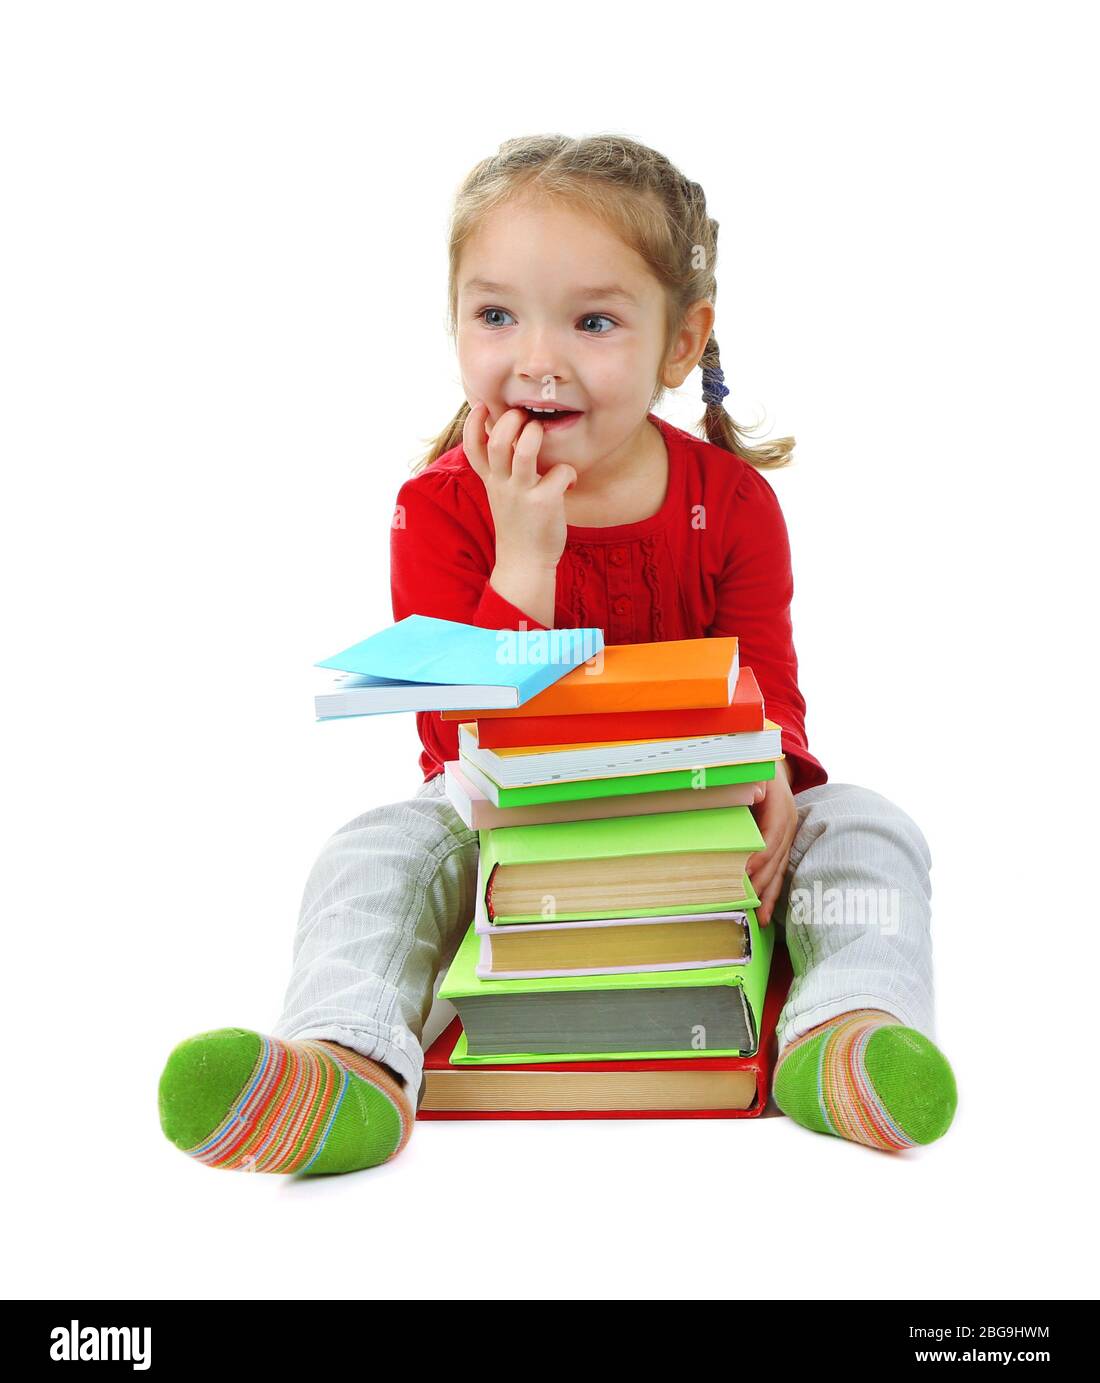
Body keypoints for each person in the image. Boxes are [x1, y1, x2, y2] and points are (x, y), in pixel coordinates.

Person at [158, 133, 957, 1175]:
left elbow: (768, 680)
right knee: (371, 852)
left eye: (592, 321)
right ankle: (346, 1061)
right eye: (496, 315)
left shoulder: (736, 505)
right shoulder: (434, 510)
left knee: (867, 826)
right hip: (503, 814)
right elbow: (460, 740)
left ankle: (839, 1033)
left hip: (699, 810)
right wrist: (524, 552)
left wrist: (774, 775)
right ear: (454, 325)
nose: (536, 359)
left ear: (681, 343)